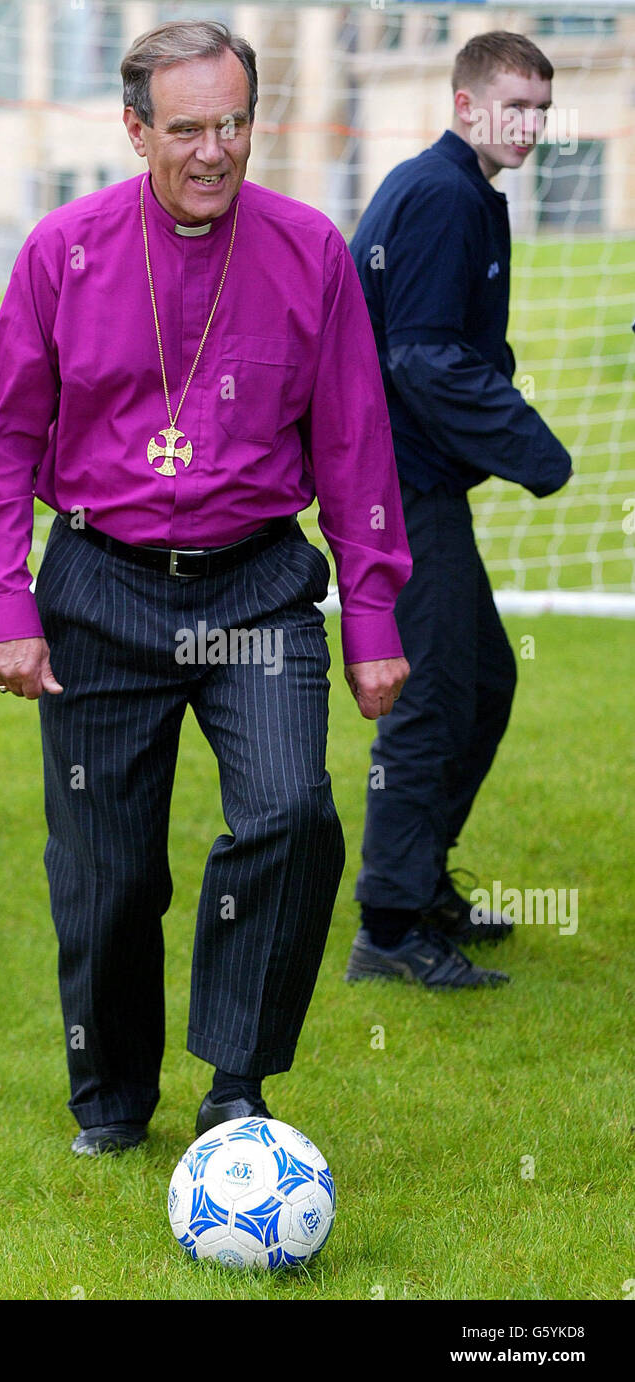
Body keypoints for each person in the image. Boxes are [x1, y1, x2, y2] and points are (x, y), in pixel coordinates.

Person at [0, 20, 411, 1155]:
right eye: (189, 127)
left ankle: (237, 1083)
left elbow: (354, 445)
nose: (215, 150)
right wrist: (6, 607)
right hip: (101, 587)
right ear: (136, 127)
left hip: (256, 588)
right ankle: (110, 1102)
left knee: (294, 815)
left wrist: (374, 614)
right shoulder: (65, 250)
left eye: (235, 124)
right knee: (107, 875)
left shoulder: (311, 253)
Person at [345, 31, 573, 991]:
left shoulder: (469, 190)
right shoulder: (439, 194)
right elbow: (421, 358)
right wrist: (534, 452)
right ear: (465, 102)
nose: (525, 125)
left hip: (419, 480)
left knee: (482, 681)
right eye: (511, 105)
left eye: (539, 111)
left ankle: (418, 887)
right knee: (433, 695)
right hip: (392, 488)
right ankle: (389, 932)